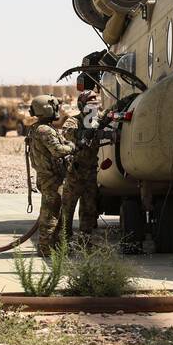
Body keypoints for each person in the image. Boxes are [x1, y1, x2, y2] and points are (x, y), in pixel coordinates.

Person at [26, 94, 73, 257]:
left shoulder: (38, 127)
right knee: (50, 215)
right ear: (47, 109)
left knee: (54, 212)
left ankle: (54, 245)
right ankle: (46, 248)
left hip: (48, 176)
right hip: (51, 178)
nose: (57, 110)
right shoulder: (45, 130)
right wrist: (72, 147)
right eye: (55, 107)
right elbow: (58, 151)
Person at [61, 88, 104, 239]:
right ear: (81, 106)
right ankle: (64, 241)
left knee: (89, 209)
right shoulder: (74, 120)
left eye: (95, 104)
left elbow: (111, 114)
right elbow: (67, 131)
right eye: (89, 105)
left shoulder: (98, 119)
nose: (93, 108)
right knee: (67, 208)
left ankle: (85, 241)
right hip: (75, 172)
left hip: (91, 173)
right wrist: (84, 133)